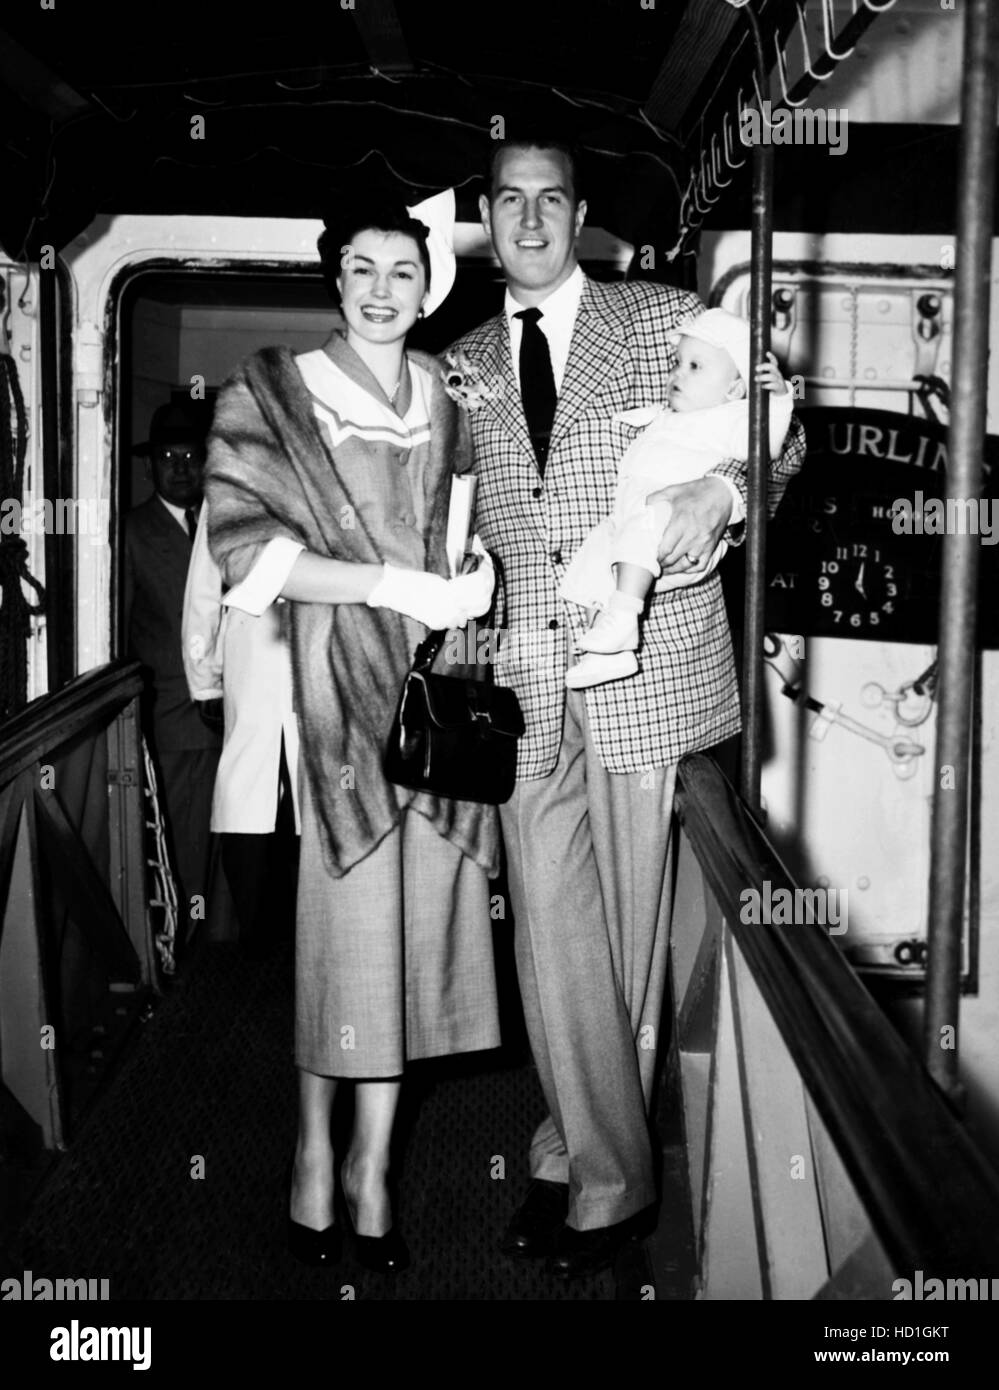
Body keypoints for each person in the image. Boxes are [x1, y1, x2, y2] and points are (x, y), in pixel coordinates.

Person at [451, 137, 806, 1279]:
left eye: (552, 200)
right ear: (487, 220)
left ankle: (581, 1170)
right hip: (523, 685)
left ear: (581, 212)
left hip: (651, 674)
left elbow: (783, 432)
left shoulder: (662, 319)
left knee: (629, 943)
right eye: (511, 203)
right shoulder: (458, 360)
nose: (533, 220)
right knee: (554, 946)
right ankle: (604, 1169)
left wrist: (725, 484)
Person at [204, 193, 499, 1274]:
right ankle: (310, 1158)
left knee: (405, 964)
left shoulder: (449, 400)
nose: (383, 290)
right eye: (363, 270)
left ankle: (371, 1172)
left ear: (429, 287)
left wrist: (474, 581)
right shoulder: (272, 392)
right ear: (335, 281)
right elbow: (248, 557)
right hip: (336, 705)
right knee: (344, 957)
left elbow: (464, 542)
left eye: (403, 272)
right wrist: (391, 584)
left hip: (428, 709)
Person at [561, 308, 792, 688]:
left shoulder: (729, 418)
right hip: (636, 528)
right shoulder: (671, 415)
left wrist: (779, 399)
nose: (677, 374)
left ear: (734, 388)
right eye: (677, 363)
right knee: (593, 562)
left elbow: (771, 446)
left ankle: (623, 616)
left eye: (695, 366)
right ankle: (610, 653)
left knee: (639, 531)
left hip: (672, 532)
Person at [182, 502, 301, 957]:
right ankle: (259, 949)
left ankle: (300, 951)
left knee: (311, 801)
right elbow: (204, 586)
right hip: (253, 646)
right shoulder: (233, 471)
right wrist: (205, 678)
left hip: (319, 644)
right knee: (249, 798)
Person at [124, 400, 221, 941]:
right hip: (174, 723)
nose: (181, 467)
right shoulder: (131, 534)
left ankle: (226, 963)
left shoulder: (229, 525)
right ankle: (181, 960)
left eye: (192, 455)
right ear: (149, 466)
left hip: (238, 722)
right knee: (181, 846)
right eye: (169, 456)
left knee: (230, 848)